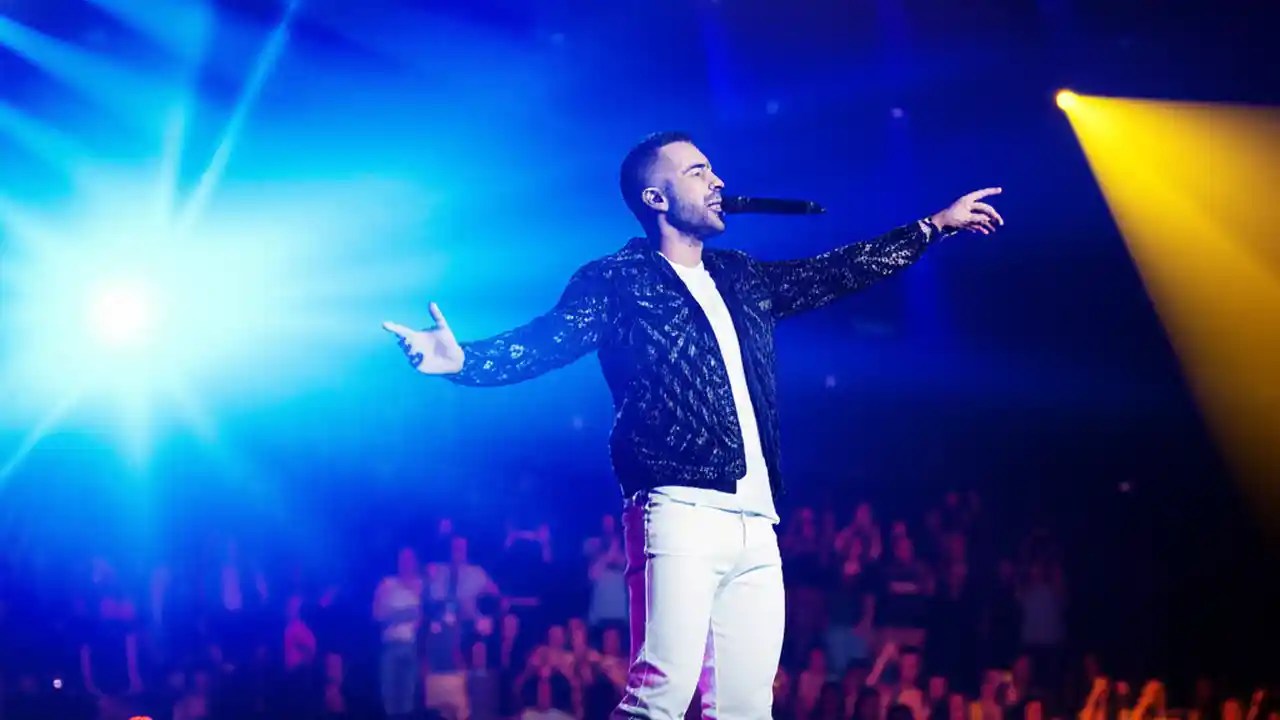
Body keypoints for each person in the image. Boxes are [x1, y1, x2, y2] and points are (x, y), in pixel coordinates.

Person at [384, 130, 1004, 718]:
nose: (717, 181)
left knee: (745, 707)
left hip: (757, 519)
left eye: (712, 169)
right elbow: (549, 341)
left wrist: (931, 228)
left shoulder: (739, 276)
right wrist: (462, 361)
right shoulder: (616, 280)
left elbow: (831, 272)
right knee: (660, 695)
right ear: (656, 198)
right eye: (698, 171)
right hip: (678, 504)